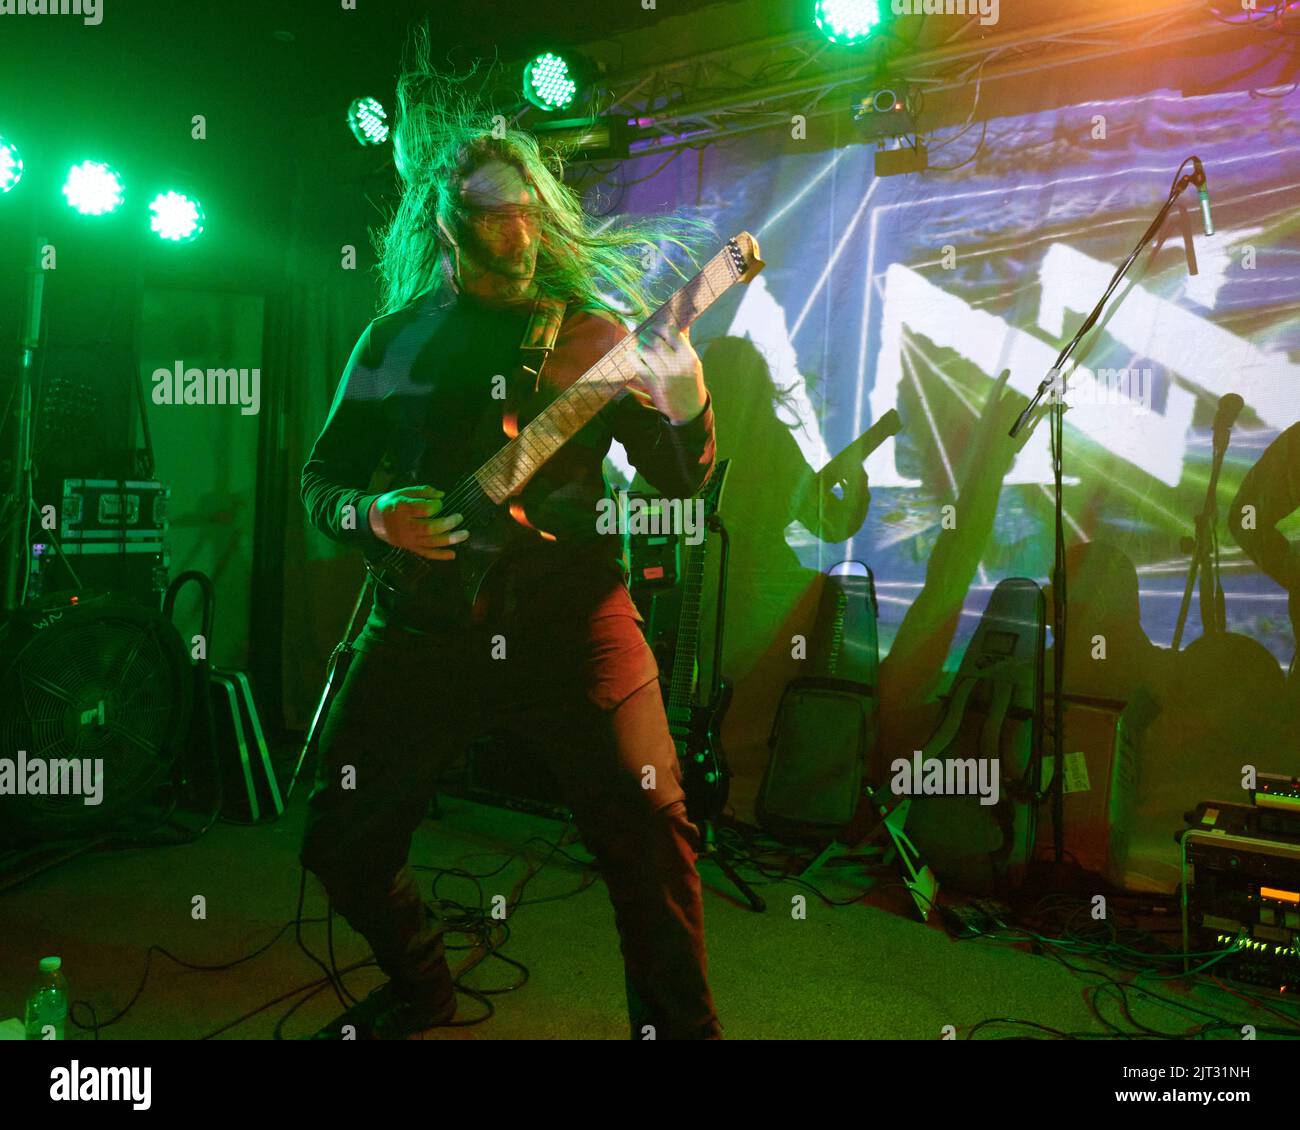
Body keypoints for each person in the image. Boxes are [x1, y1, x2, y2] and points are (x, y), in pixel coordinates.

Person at [297, 43, 722, 1040]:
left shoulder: (589, 336)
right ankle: (421, 984)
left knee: (651, 828)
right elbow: (319, 481)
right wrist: (371, 514)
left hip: (571, 620)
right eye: (492, 208)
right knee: (341, 839)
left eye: (527, 204)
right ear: (444, 220)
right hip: (423, 627)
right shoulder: (393, 338)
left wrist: (690, 399)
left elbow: (678, 479)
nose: (517, 227)